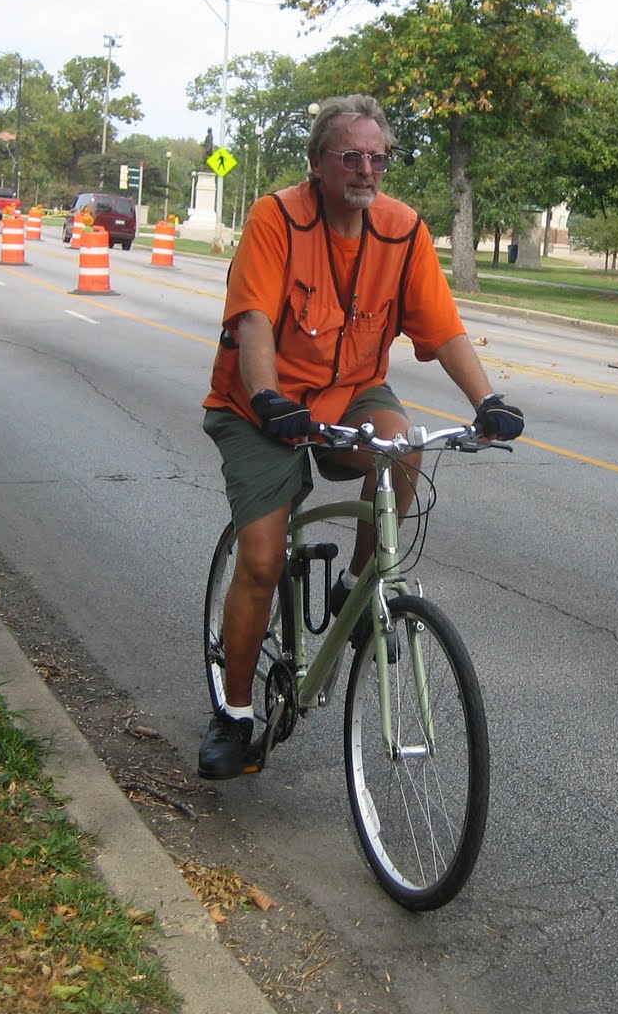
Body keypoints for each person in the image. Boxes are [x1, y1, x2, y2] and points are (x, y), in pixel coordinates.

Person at [198, 94, 524, 780]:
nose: (366, 170)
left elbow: (443, 328)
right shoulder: (275, 218)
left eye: (378, 158)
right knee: (260, 562)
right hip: (261, 405)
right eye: (351, 156)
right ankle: (233, 715)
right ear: (317, 163)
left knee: (401, 444)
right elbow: (253, 318)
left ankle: (356, 580)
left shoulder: (403, 230)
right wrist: (267, 397)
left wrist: (487, 400)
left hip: (350, 392)